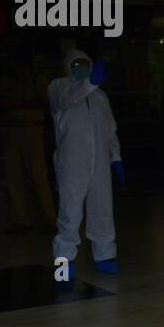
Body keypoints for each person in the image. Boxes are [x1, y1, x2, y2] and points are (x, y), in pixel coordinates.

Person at [49, 50, 123, 280]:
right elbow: (69, 97)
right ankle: (63, 264)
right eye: (76, 63)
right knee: (69, 214)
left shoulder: (100, 97)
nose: (81, 67)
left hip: (99, 164)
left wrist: (115, 158)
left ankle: (104, 255)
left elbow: (110, 131)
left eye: (85, 64)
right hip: (72, 164)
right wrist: (90, 82)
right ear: (67, 66)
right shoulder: (59, 87)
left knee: (102, 210)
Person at [0, 58, 56, 234]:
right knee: (13, 176)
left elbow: (47, 102)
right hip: (13, 130)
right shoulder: (7, 79)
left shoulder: (37, 79)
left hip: (33, 130)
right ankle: (21, 220)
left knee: (38, 175)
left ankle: (50, 219)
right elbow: (3, 103)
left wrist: (21, 104)